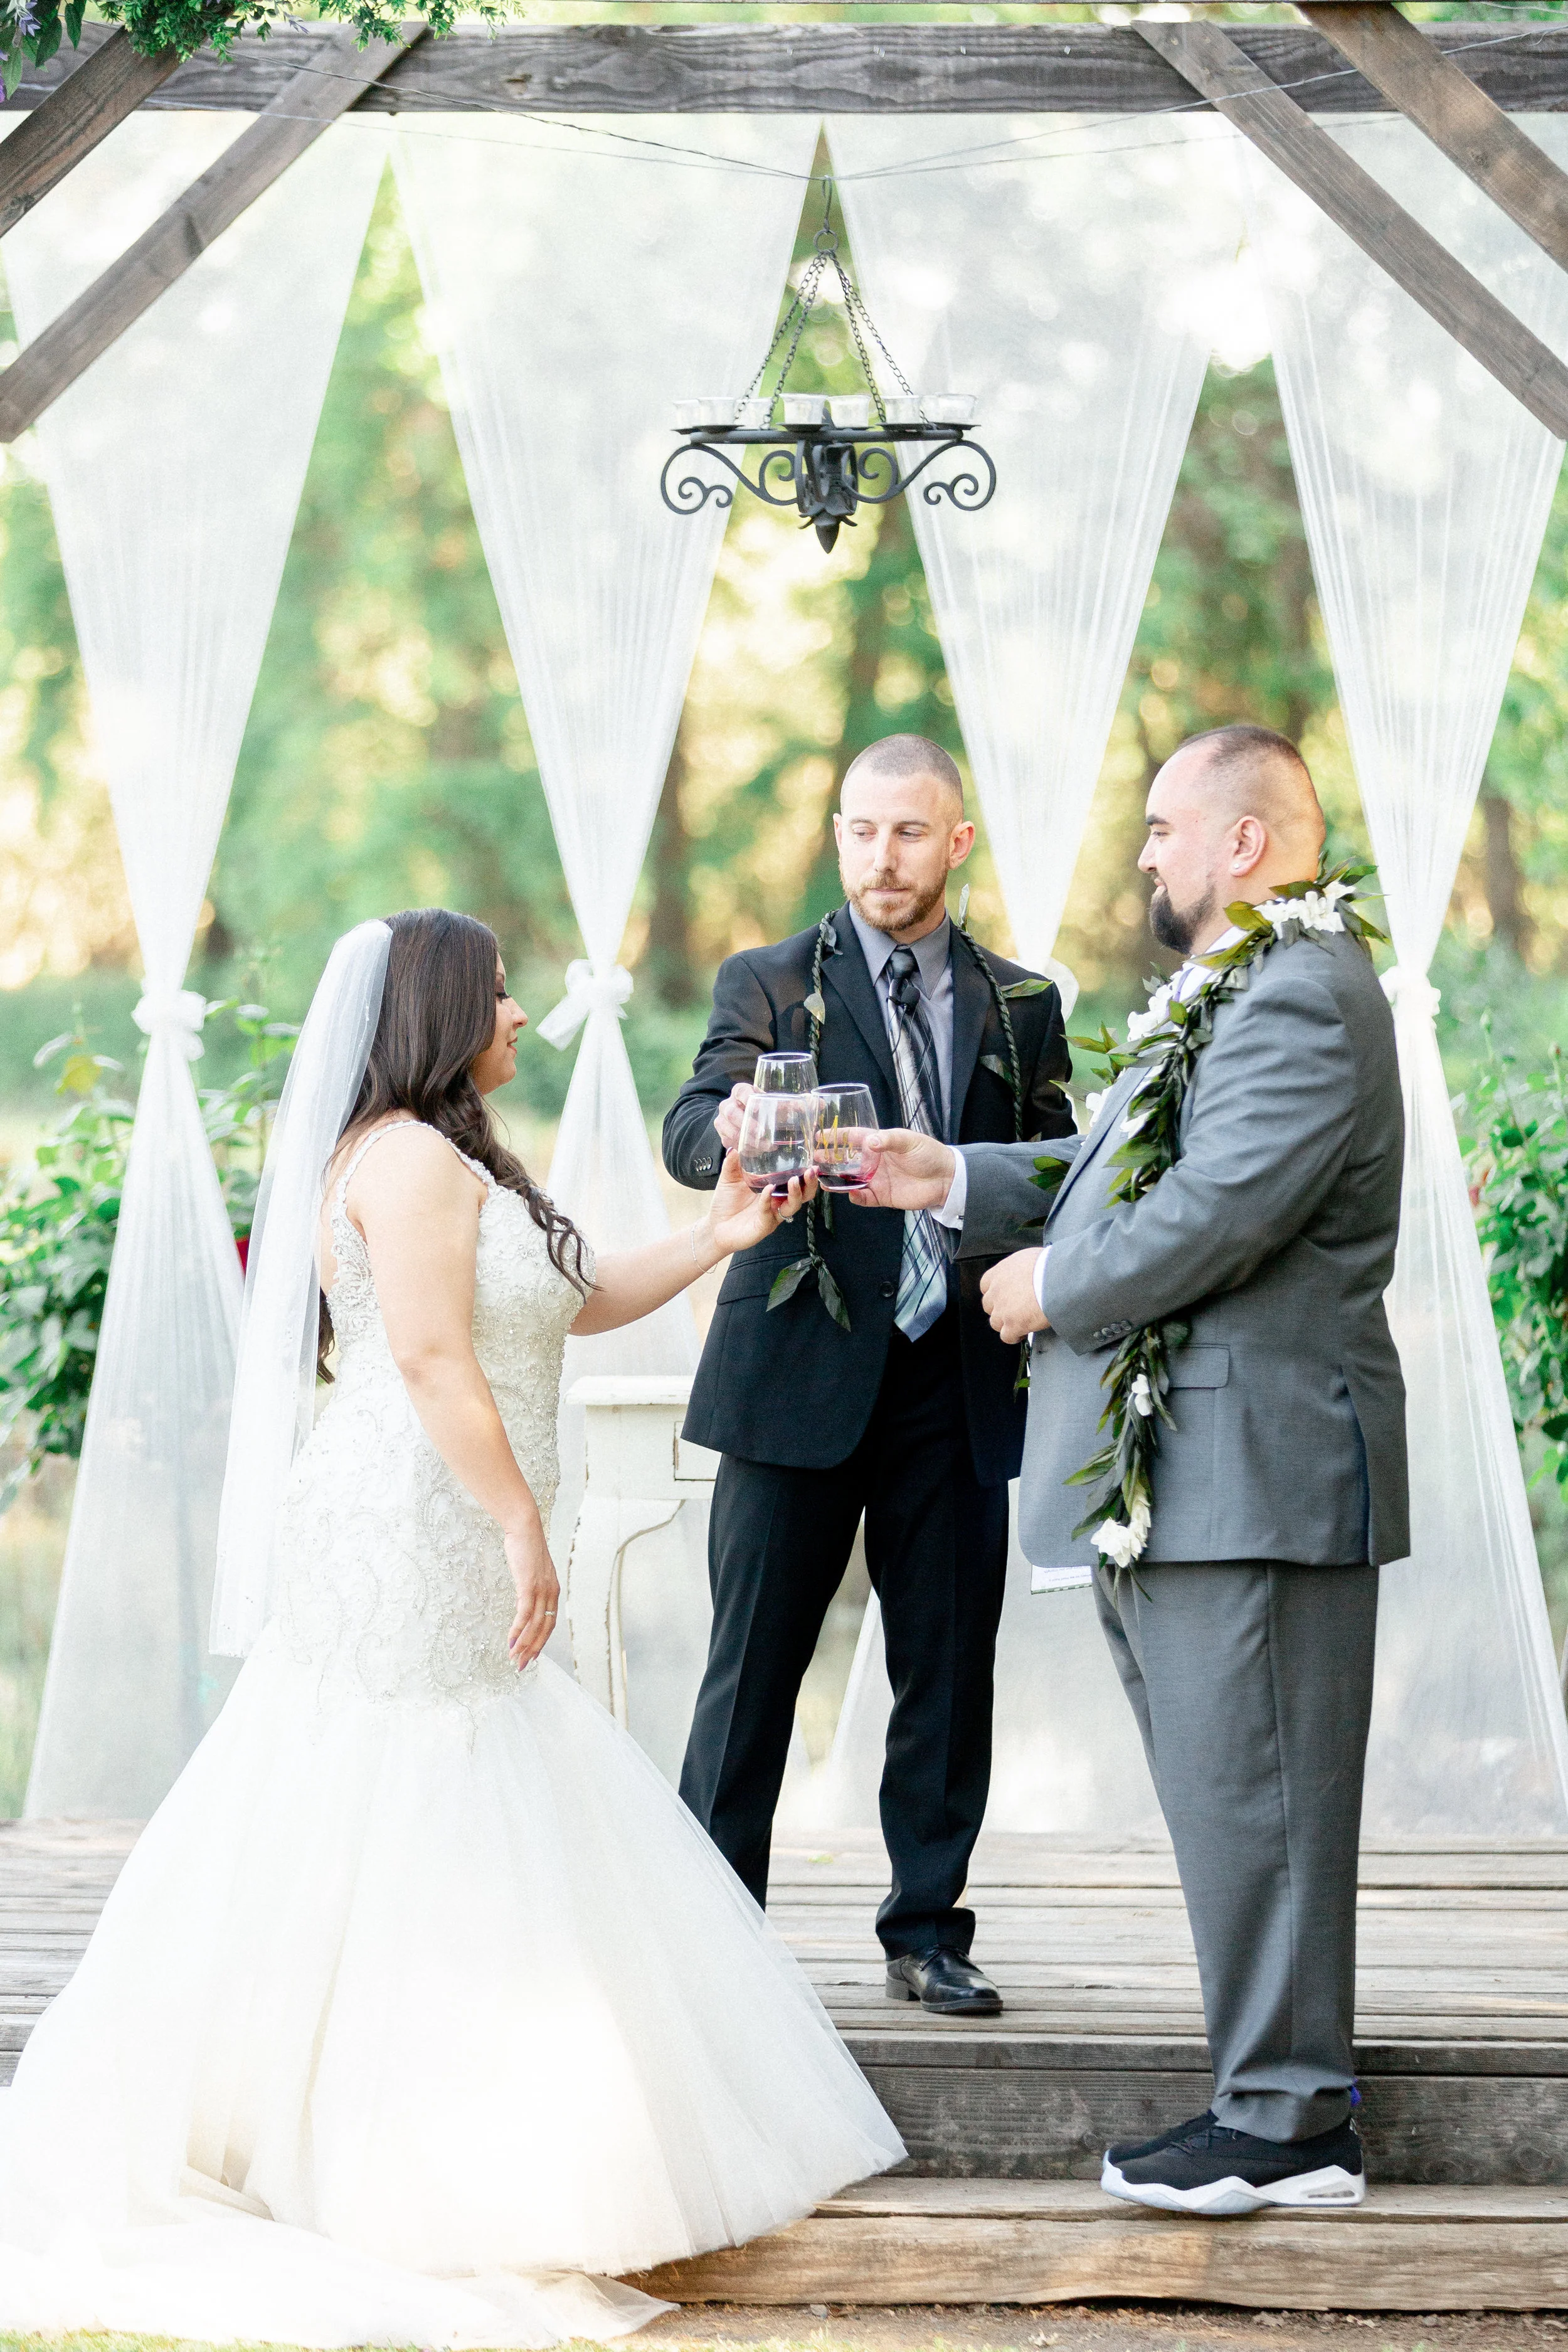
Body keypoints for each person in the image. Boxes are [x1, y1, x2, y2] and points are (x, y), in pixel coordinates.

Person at [0, 909, 903, 2347]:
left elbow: (570, 1303)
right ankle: (391, 2160)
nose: (522, 1014)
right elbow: (425, 1356)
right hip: (411, 1517)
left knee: (458, 1784)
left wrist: (719, 1236)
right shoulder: (408, 1158)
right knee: (397, 1786)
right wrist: (519, 1521)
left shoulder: (458, 1150)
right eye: (499, 992)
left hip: (454, 1511)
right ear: (436, 1008)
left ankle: (469, 2140)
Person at [852, 724, 1406, 2212]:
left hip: (1259, 1467)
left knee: (1264, 1795)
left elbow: (1217, 1211)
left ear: (1242, 843)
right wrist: (952, 1176)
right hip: (1195, 1467)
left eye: (1165, 827)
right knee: (1234, 1800)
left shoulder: (1297, 993)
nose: (1145, 851)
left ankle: (1292, 2123)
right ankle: (1269, 2096)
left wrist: (1050, 1288)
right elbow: (1123, 1161)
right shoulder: (1238, 990)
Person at [663, 734, 1075, 2016]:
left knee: (948, 1672)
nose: (879, 857)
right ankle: (707, 1934)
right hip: (793, 1374)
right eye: (859, 831)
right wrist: (727, 1132)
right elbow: (687, 1129)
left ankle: (926, 1932)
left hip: (953, 1375)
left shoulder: (1022, 1004)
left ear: (954, 843)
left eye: (907, 833)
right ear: (837, 835)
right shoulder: (767, 981)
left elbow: (1060, 1168)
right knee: (750, 1670)